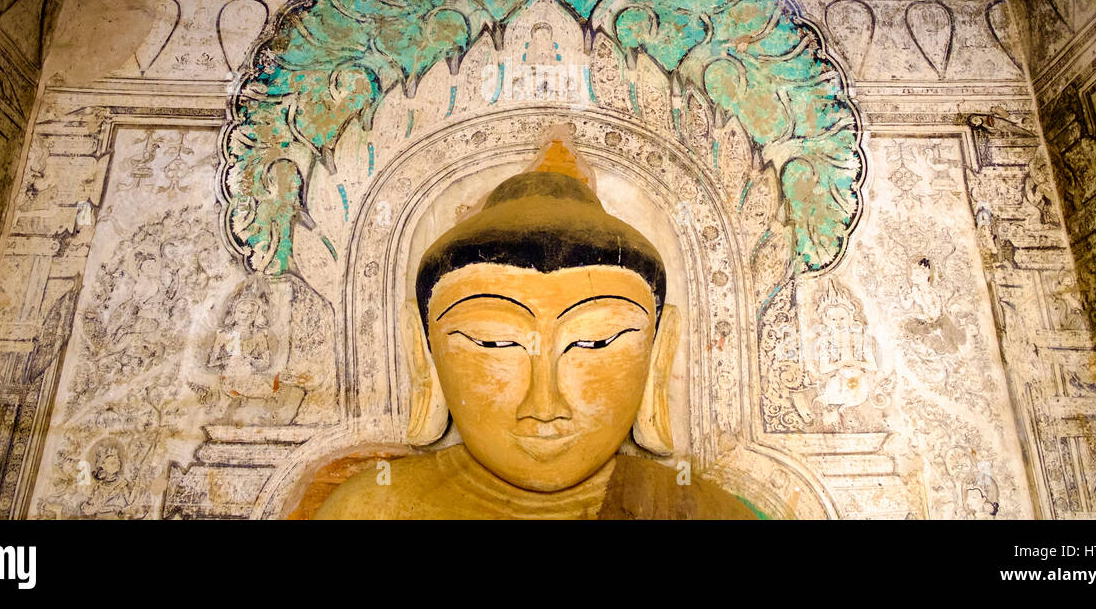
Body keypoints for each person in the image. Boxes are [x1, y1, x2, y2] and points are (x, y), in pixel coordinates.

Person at [313, 140, 761, 519]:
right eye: (493, 341)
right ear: (423, 351)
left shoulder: (695, 508)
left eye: (595, 341)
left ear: (658, 353)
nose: (544, 406)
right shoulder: (376, 507)